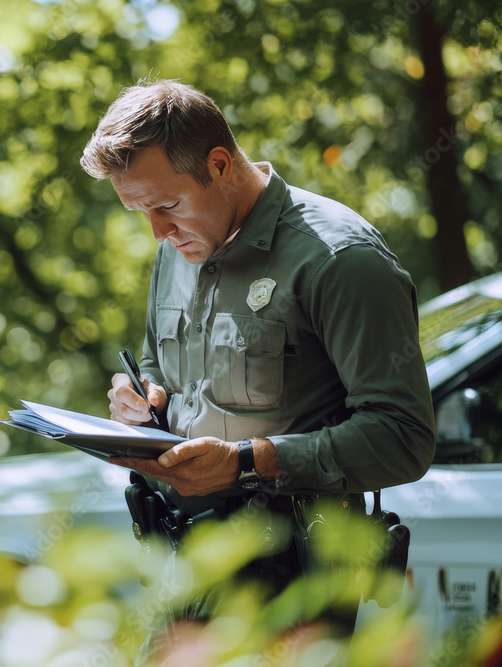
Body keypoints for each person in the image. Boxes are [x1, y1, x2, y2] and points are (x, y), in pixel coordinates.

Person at [79, 80, 436, 660]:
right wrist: (142, 398)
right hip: (186, 565)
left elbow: (404, 438)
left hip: (292, 584)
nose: (158, 233)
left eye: (166, 206)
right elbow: (157, 364)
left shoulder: (341, 260)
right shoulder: (177, 247)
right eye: (140, 211)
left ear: (218, 164)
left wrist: (245, 462)